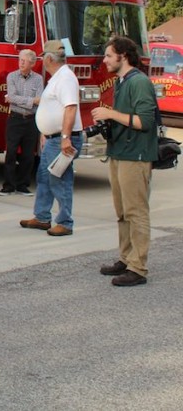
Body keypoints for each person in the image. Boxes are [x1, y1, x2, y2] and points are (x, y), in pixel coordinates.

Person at [91, 36, 159, 287]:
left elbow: (145, 122)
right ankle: (126, 258)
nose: (105, 60)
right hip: (120, 153)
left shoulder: (139, 82)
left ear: (123, 56)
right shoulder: (122, 81)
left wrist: (110, 114)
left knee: (136, 211)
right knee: (122, 212)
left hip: (135, 155)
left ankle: (138, 268)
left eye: (109, 55)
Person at [20, 40, 82, 236]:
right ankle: (42, 216)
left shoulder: (65, 79)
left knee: (60, 178)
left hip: (62, 138)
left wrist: (65, 137)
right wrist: (46, 133)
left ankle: (65, 221)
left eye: (42, 57)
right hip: (53, 137)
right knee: (45, 177)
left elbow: (70, 108)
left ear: (48, 58)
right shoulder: (58, 77)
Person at [0, 49, 43, 196]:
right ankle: (8, 185)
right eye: (20, 60)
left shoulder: (38, 79)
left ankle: (22, 185)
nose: (21, 63)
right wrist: (31, 101)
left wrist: (18, 100)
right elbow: (11, 97)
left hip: (31, 120)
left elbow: (40, 100)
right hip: (15, 118)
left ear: (32, 63)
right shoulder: (12, 77)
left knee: (28, 155)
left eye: (24, 61)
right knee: (10, 152)